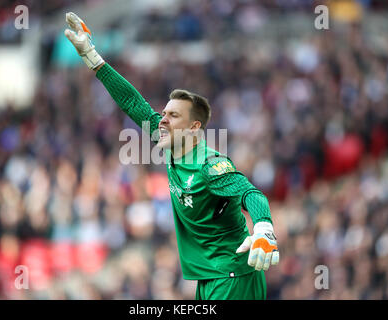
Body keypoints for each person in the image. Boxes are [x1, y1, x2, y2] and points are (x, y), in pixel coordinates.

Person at [64, 12, 279, 300]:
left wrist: (263, 227)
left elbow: (251, 194)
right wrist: (92, 56)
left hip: (232, 276)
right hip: (210, 277)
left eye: (172, 115)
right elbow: (131, 101)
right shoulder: (173, 145)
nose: (161, 120)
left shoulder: (209, 164)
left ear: (193, 128)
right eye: (163, 113)